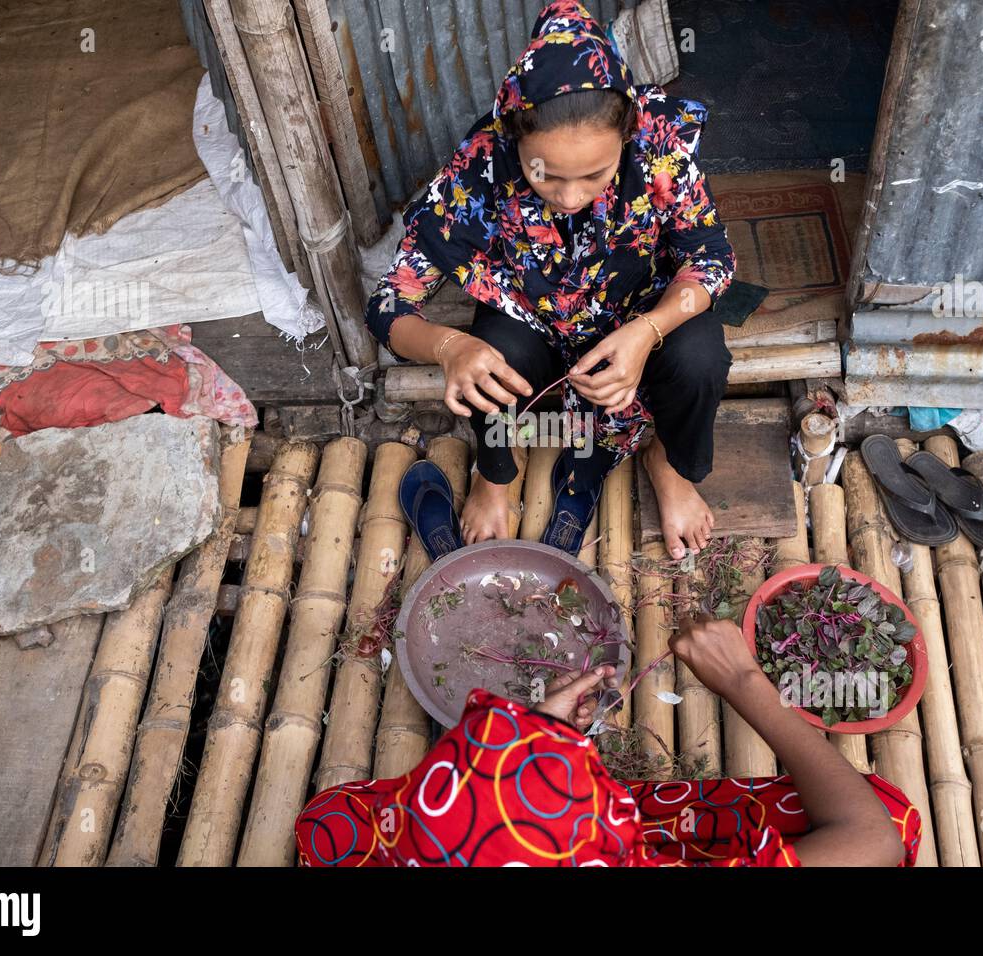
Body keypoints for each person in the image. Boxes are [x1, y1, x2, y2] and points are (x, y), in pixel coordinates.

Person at [367, 1, 735, 560]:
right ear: (516, 139)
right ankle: (496, 477)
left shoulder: (657, 147)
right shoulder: (484, 166)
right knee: (487, 361)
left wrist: (648, 332)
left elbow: (710, 258)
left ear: (627, 137)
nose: (569, 196)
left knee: (700, 354)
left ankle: (669, 463)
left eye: (595, 174)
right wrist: (449, 347)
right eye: (545, 173)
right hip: (532, 323)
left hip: (635, 311)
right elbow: (390, 301)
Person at [294, 616, 922, 867]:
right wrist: (742, 680)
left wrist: (540, 737)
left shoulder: (342, 833)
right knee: (888, 813)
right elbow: (875, 842)